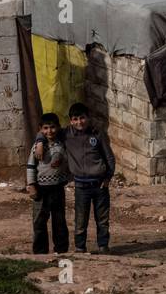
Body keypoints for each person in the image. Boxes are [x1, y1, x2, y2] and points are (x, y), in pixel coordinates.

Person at [64, 103, 115, 254]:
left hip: (100, 185)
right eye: (75, 119)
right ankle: (80, 248)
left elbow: (109, 157)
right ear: (71, 121)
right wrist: (40, 142)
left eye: (82, 118)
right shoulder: (66, 134)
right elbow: (46, 132)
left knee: (103, 219)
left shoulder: (97, 133)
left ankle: (103, 247)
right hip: (81, 187)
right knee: (80, 220)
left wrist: (108, 177)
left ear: (88, 118)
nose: (79, 122)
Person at [26, 113, 69, 255]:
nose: (49, 131)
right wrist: (31, 185)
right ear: (40, 129)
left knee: (59, 222)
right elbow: (31, 166)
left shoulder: (62, 142)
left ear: (57, 127)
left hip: (57, 188)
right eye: (45, 128)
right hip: (41, 190)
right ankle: (40, 252)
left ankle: (61, 250)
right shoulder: (37, 147)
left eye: (52, 127)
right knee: (39, 222)